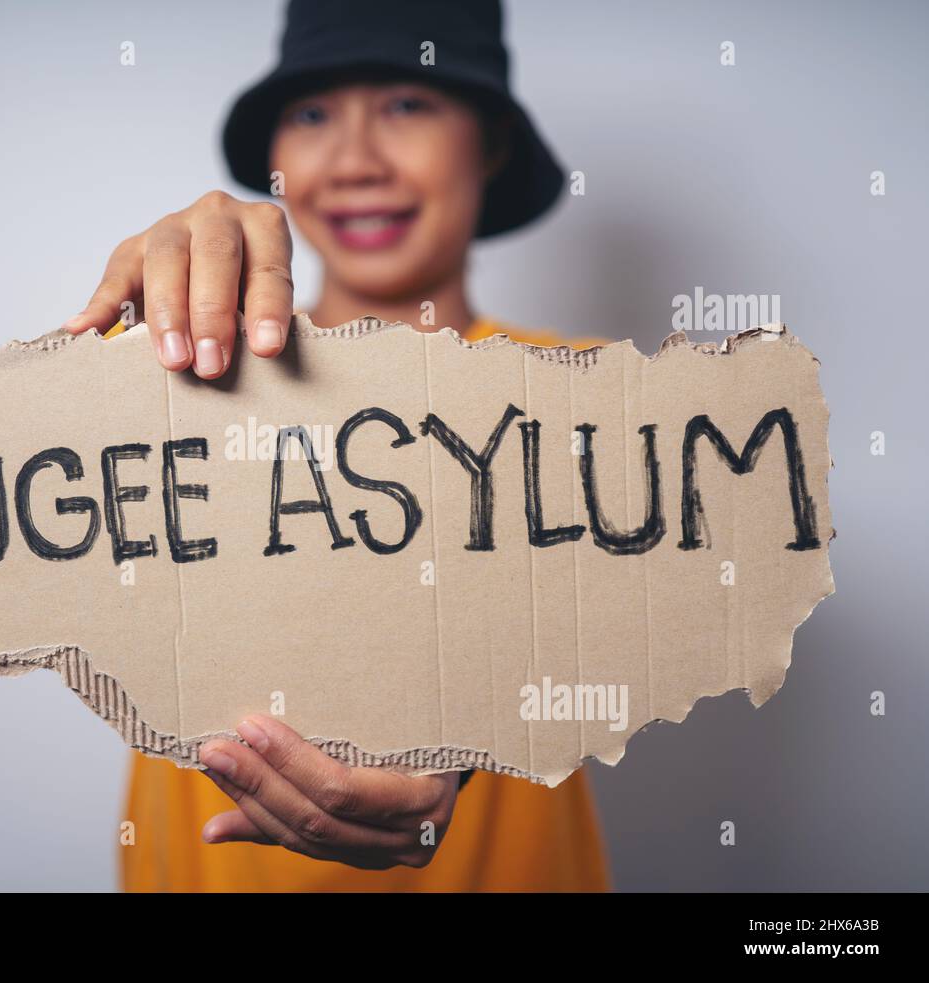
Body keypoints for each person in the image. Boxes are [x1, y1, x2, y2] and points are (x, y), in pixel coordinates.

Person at [64, 0, 611, 891]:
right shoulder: (196, 386)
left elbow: (608, 629)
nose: (355, 160)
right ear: (275, 158)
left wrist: (461, 740)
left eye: (407, 104)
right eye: (313, 114)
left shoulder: (588, 395)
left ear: (492, 146)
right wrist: (134, 354)